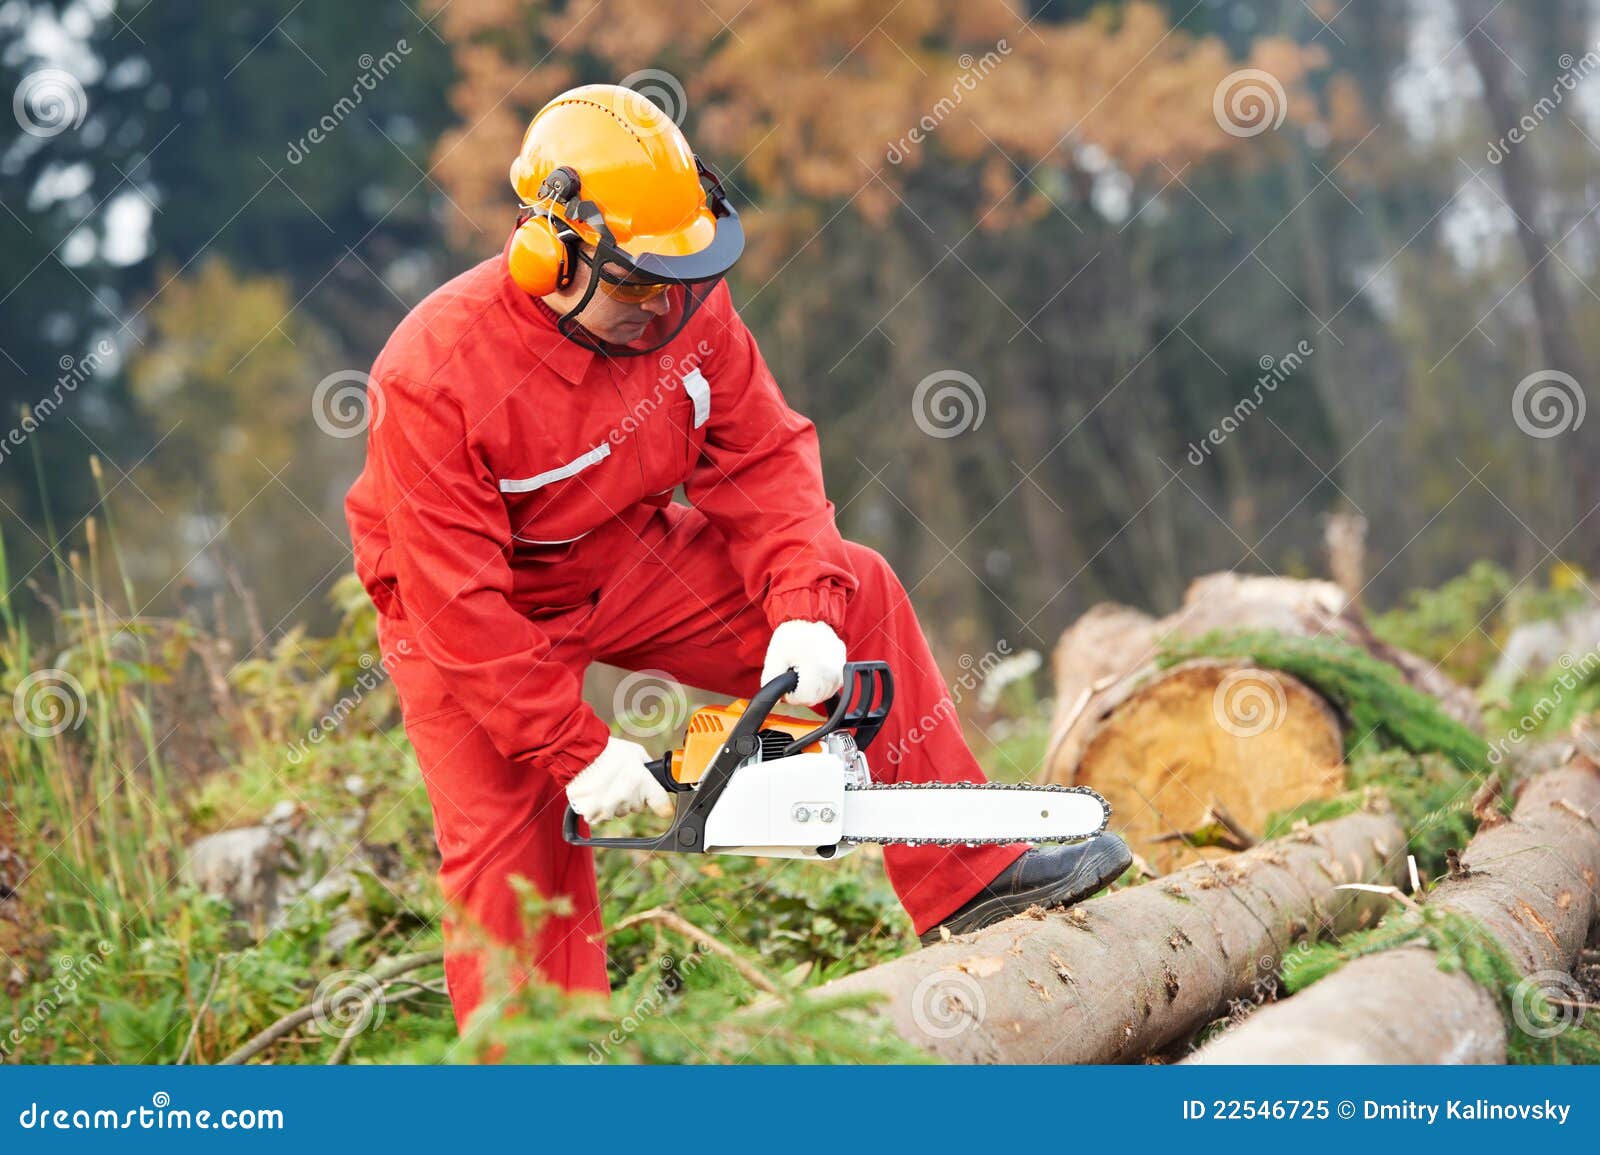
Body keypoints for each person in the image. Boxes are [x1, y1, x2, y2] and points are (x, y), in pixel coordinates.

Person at [344, 83, 1130, 1031]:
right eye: (638, 283)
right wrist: (576, 748)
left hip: (623, 552)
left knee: (859, 590)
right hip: (468, 613)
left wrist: (801, 601)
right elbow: (455, 605)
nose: (664, 307)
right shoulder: (434, 371)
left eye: (680, 278)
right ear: (548, 254)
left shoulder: (685, 314)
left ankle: (969, 870)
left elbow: (761, 456)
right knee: (512, 849)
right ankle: (539, 1078)